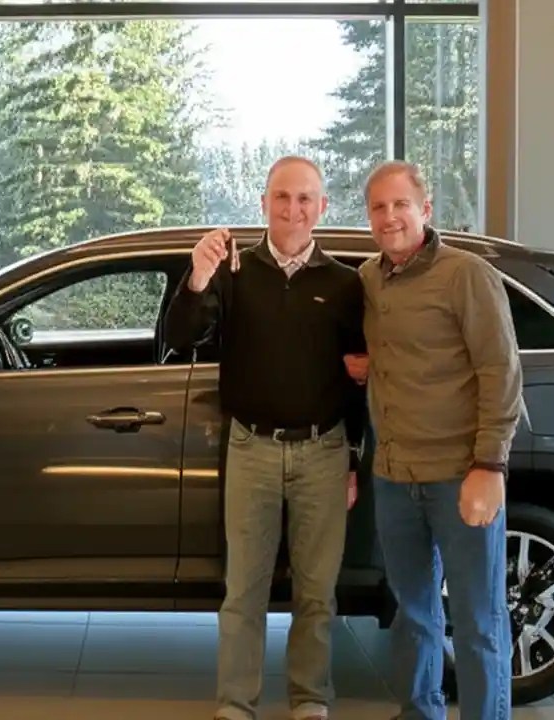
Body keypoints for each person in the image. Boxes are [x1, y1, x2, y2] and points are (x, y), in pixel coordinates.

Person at [163, 155, 368, 720]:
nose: (293, 209)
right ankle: (236, 705)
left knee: (316, 595)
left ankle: (309, 701)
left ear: (321, 207)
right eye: (283, 197)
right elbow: (180, 338)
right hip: (250, 448)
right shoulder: (231, 272)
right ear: (264, 203)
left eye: (305, 199)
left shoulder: (347, 284)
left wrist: (355, 458)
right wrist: (196, 277)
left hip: (324, 452)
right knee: (243, 594)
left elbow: (360, 378)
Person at [344, 159, 522, 720]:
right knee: (414, 614)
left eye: (401, 204)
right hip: (395, 478)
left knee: (478, 621)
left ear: (425, 208)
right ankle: (420, 711)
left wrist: (489, 466)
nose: (389, 216)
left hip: (460, 475)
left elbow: (501, 370)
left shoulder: (465, 275)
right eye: (378, 207)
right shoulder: (368, 279)